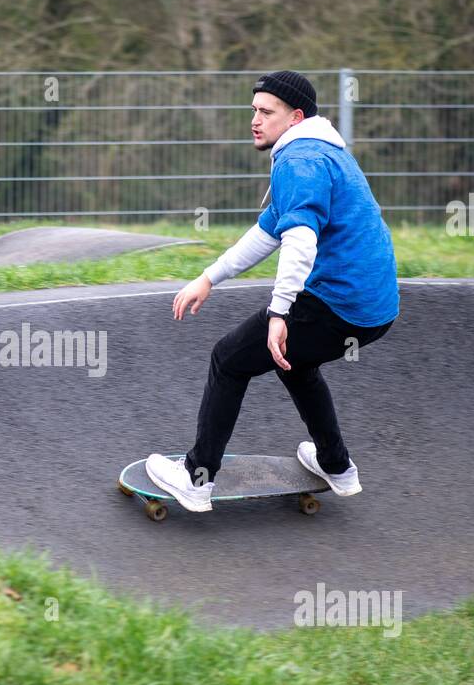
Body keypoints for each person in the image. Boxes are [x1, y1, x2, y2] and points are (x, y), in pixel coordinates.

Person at [146, 70, 399, 512]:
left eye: (266, 112)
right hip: (374, 307)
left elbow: (300, 240)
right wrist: (210, 277)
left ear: (295, 116)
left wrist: (279, 313)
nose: (255, 120)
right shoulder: (321, 151)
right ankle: (336, 467)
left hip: (339, 304)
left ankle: (196, 478)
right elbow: (271, 230)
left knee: (229, 359)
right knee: (295, 365)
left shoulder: (300, 161)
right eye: (253, 111)